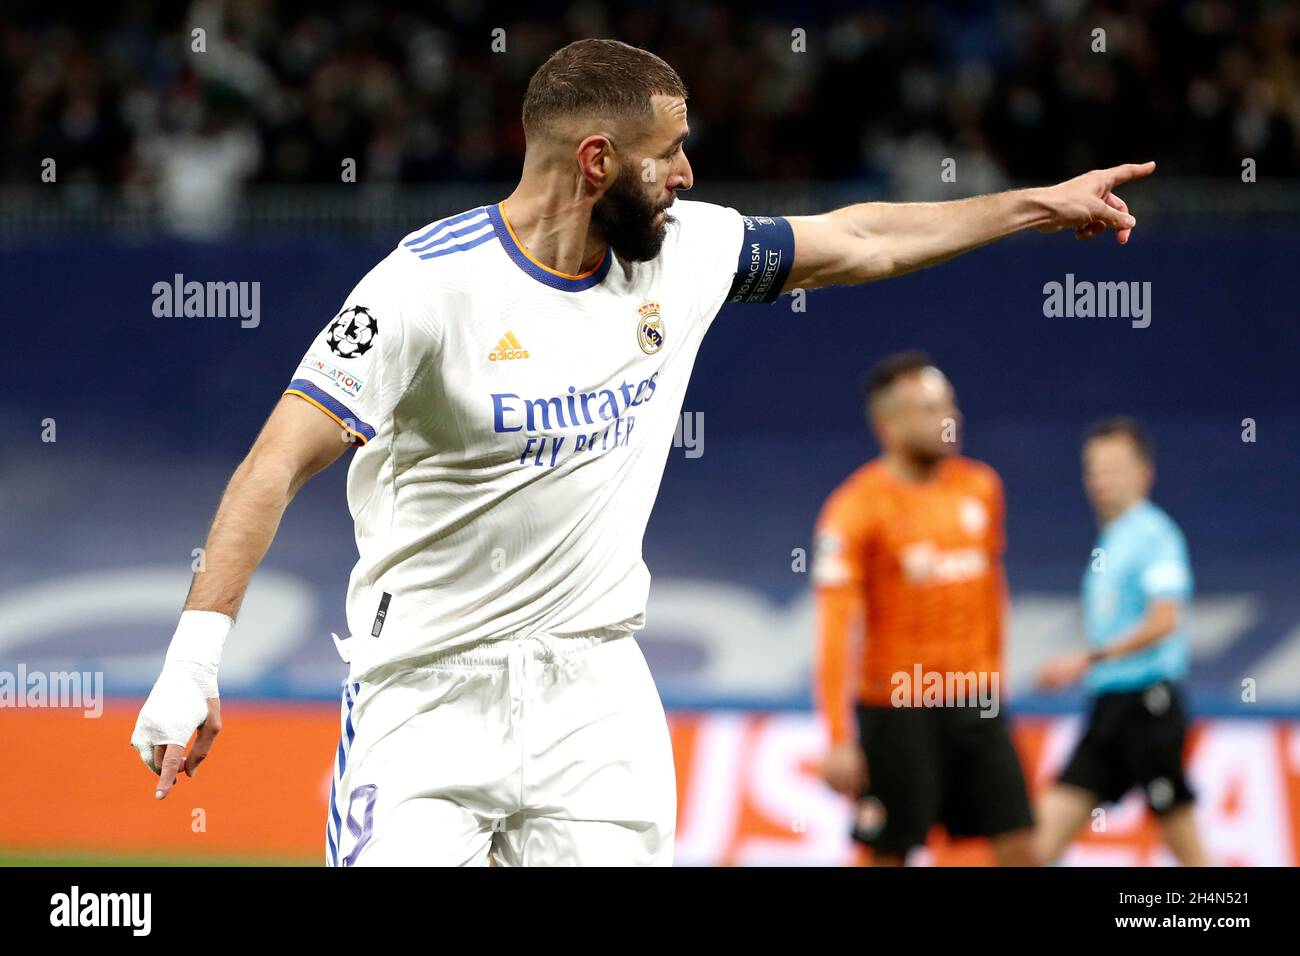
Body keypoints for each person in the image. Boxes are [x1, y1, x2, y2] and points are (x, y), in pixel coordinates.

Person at [131, 37, 1154, 866]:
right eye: (668, 152)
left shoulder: (688, 253)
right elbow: (272, 463)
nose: (687, 174)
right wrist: (191, 662)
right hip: (426, 693)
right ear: (595, 162)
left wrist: (1035, 204)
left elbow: (865, 239)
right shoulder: (421, 289)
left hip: (596, 694)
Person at [813, 352, 1035, 866]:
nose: (948, 417)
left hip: (975, 700)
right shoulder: (854, 509)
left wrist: (996, 683)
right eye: (929, 408)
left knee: (1020, 845)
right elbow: (835, 626)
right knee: (887, 853)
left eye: (949, 404)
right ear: (888, 425)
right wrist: (839, 737)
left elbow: (991, 595)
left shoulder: (982, 487)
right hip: (897, 706)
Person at [1036, 417, 1208, 866]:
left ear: (1144, 473)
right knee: (1037, 845)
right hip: (1109, 709)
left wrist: (1088, 659)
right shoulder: (1111, 541)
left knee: (1187, 848)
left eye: (1113, 469)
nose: (1100, 481)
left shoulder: (1155, 535)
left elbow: (1166, 619)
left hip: (1149, 707)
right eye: (1093, 469)